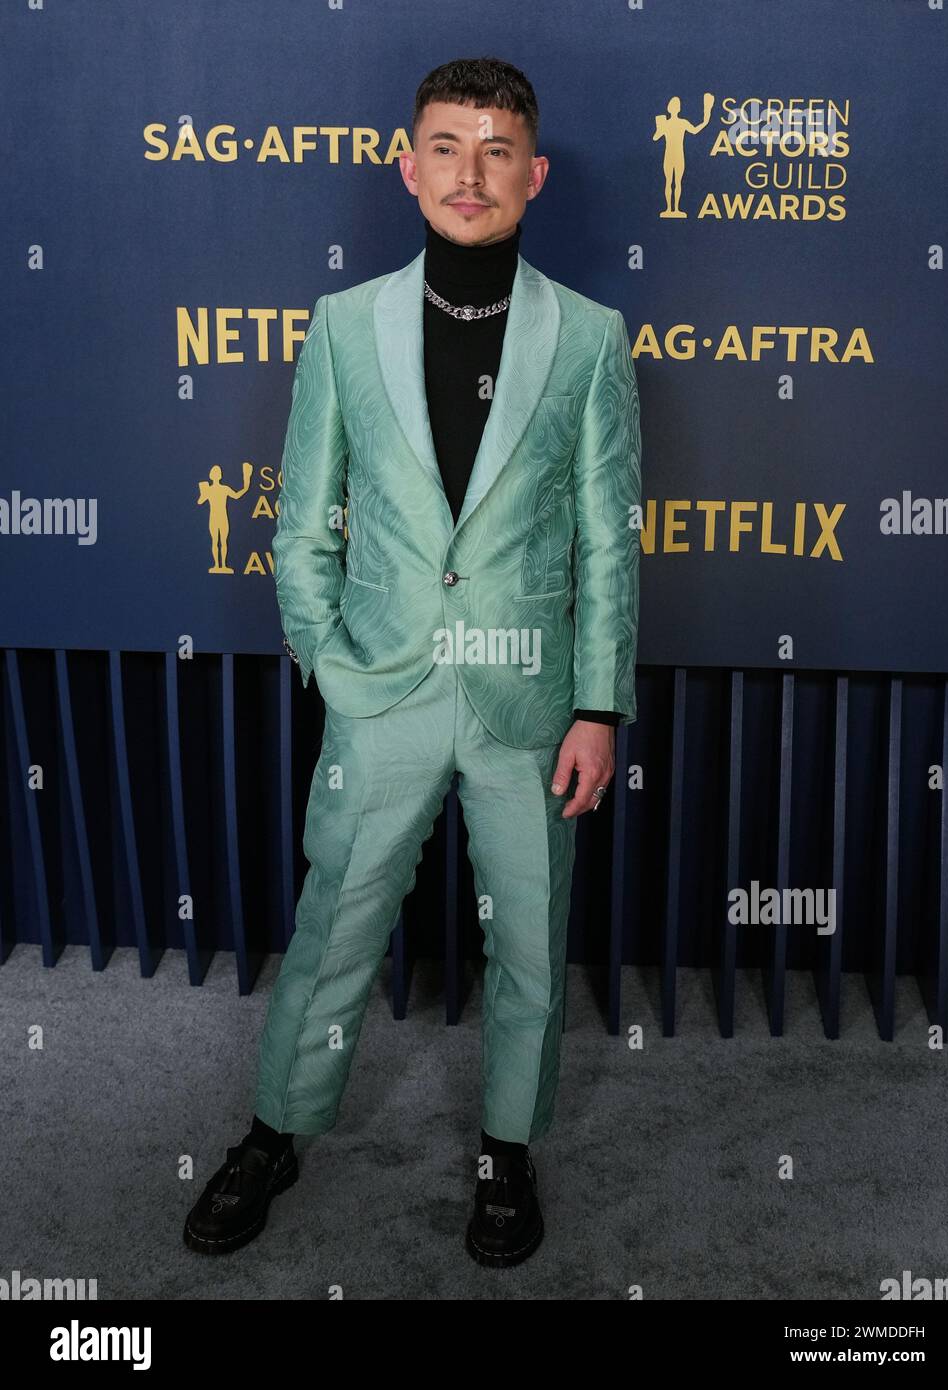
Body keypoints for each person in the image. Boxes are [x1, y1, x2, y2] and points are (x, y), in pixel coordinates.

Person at [184, 55, 642, 1269]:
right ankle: (277, 1131)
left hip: (530, 704)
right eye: (446, 144)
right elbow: (299, 519)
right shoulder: (343, 325)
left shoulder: (590, 337)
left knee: (533, 941)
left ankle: (507, 1151)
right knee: (334, 924)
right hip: (378, 691)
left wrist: (599, 705)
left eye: (497, 149)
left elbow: (608, 538)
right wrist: (329, 664)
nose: (471, 170)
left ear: (534, 175)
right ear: (408, 165)